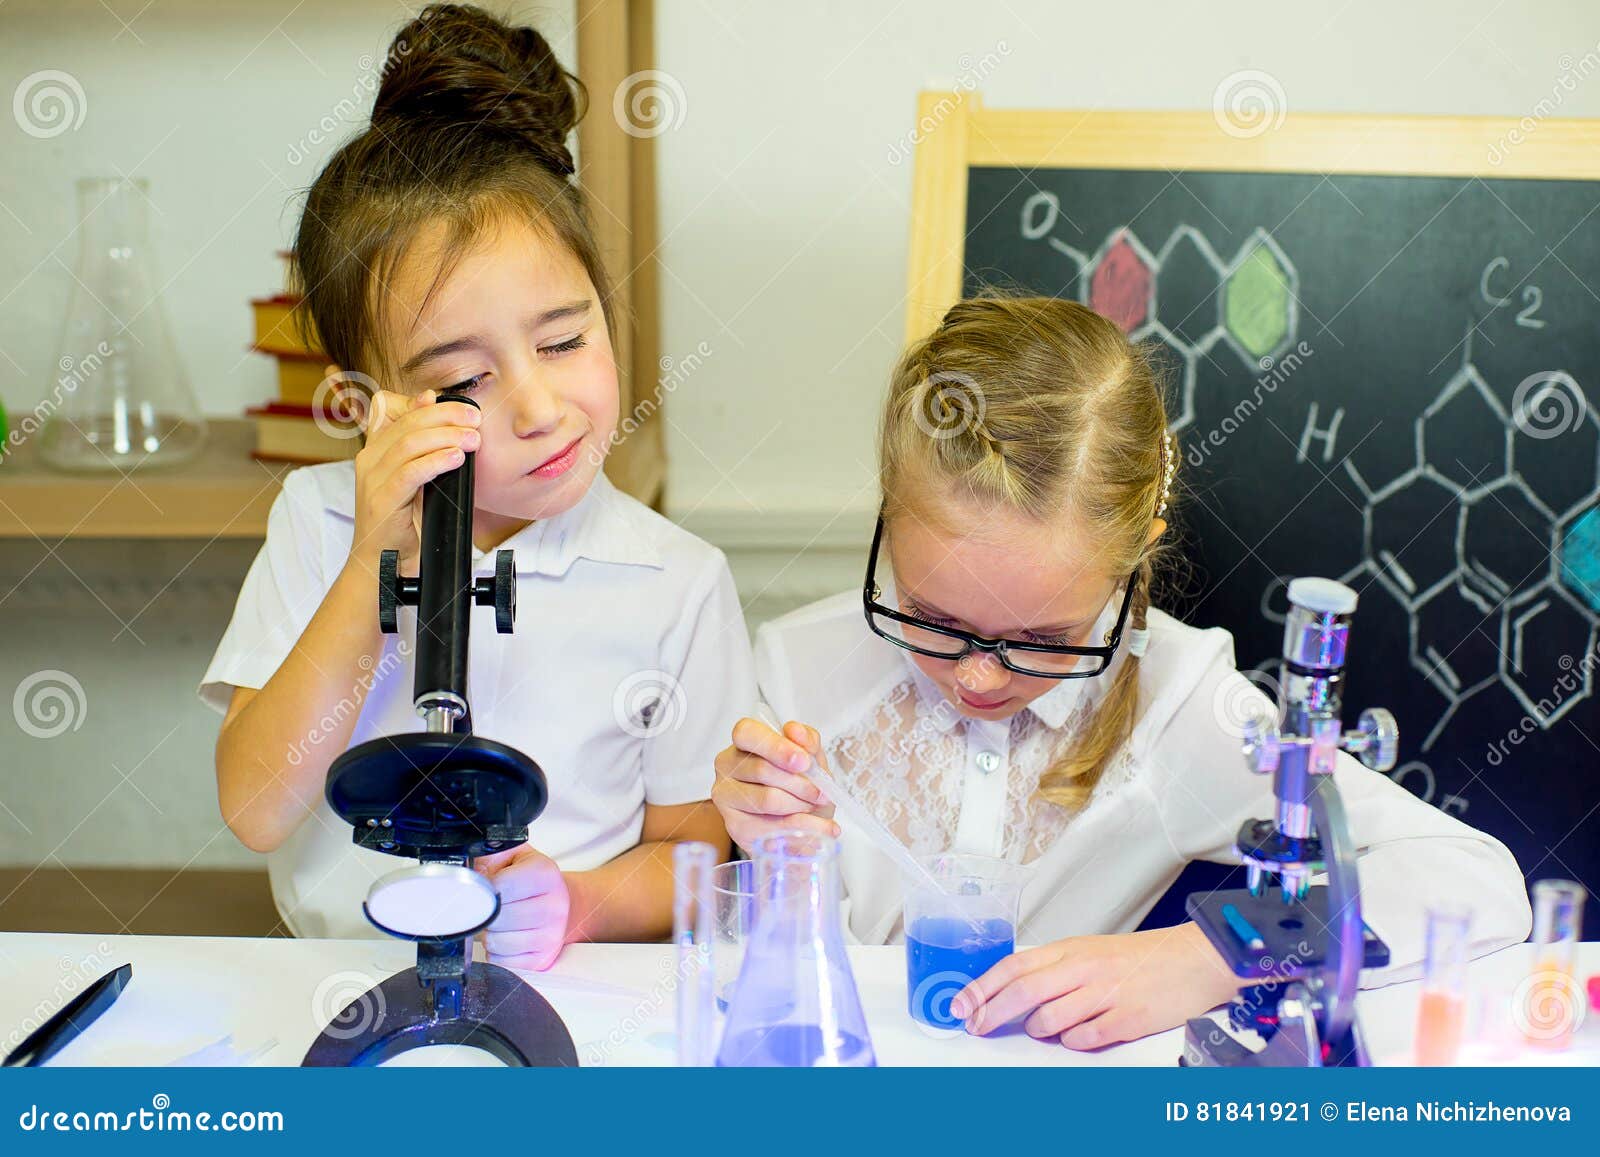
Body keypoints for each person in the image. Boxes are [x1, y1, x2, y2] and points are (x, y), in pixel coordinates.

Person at [712, 294, 1532, 1048]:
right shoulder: (797, 668)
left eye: (1042, 637)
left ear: (1135, 557)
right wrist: (752, 846)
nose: (981, 679)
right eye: (934, 619)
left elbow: (1476, 880)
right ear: (888, 515)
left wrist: (1216, 954)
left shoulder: (1176, 703)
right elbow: (757, 978)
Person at [199, 4, 751, 970]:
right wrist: (378, 561)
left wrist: (576, 904)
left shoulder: (676, 579)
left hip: (574, 982)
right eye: (464, 380)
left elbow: (693, 853)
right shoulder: (319, 521)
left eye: (564, 339)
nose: (539, 406)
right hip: (344, 977)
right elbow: (255, 806)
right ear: (367, 405)